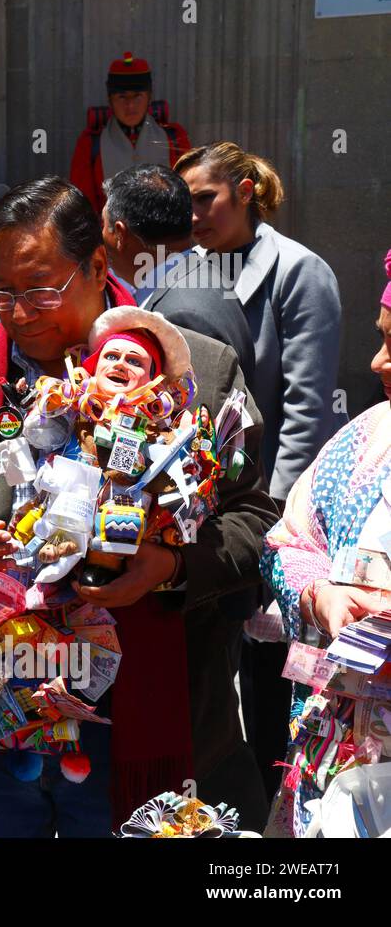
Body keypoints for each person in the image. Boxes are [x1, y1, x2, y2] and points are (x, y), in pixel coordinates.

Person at [0, 176, 276, 836]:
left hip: (140, 716)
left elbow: (253, 522)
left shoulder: (195, 373)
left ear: (97, 265)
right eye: (2, 291)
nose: (17, 312)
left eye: (40, 289)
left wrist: (169, 567)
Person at [177, 142, 346, 789]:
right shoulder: (187, 269)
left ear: (246, 191)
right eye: (185, 200)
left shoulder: (302, 273)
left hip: (277, 511)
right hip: (205, 509)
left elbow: (306, 413)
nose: (194, 214)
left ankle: (282, 809)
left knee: (273, 672)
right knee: (216, 677)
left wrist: (273, 531)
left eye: (205, 198)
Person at [261, 250, 391, 835]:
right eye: (382, 338)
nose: (377, 361)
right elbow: (290, 538)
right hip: (336, 748)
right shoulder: (363, 437)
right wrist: (320, 595)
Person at [100, 164, 256, 381]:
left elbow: (199, 409)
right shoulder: (198, 276)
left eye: (103, 225)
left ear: (119, 234)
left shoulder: (182, 316)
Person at [70, 53, 191, 215]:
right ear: (110, 100)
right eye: (122, 97)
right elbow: (83, 206)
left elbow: (186, 192)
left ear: (149, 97)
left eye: (138, 96)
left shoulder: (174, 137)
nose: (130, 105)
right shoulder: (91, 143)